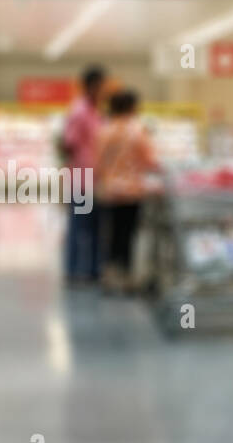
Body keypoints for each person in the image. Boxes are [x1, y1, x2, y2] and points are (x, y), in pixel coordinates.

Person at [94, 89, 160, 294]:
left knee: (111, 232)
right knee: (128, 233)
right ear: (132, 107)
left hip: (110, 191)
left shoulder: (104, 131)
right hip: (132, 191)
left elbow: (96, 163)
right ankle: (126, 275)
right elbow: (150, 161)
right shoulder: (137, 131)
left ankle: (110, 274)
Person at [59, 65, 105, 283]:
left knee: (95, 226)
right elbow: (68, 144)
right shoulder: (80, 111)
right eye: (102, 85)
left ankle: (93, 270)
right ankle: (74, 270)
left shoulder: (95, 111)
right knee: (80, 225)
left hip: (96, 178)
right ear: (93, 85)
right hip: (81, 178)